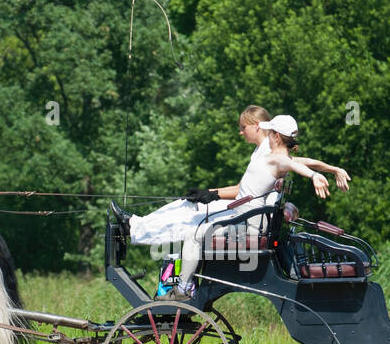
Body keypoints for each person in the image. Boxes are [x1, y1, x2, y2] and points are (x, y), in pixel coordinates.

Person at [123, 114, 350, 300]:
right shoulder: (275, 157)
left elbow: (294, 164)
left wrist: (314, 176)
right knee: (200, 227)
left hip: (246, 227)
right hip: (246, 222)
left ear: (277, 137)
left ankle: (182, 289)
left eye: (270, 133)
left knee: (194, 234)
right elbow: (305, 161)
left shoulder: (277, 160)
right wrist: (333, 169)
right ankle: (182, 283)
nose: (267, 136)